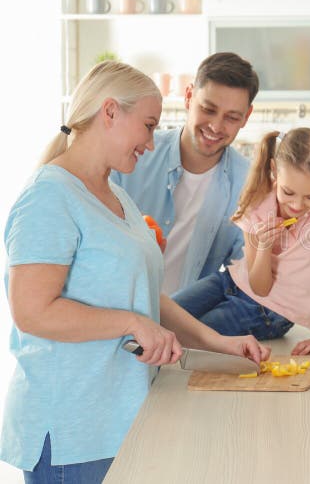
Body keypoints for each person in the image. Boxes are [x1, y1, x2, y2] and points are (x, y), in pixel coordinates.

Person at [0, 61, 268, 484]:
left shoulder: (115, 196)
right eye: (147, 125)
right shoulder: (49, 196)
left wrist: (218, 343)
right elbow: (33, 312)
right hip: (73, 429)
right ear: (109, 112)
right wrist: (132, 323)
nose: (150, 142)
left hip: (118, 419)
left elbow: (143, 296)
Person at [173, 128, 310, 355]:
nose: (297, 205)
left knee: (186, 337)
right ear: (274, 170)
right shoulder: (257, 199)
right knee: (161, 315)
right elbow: (257, 284)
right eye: (288, 192)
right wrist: (263, 247)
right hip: (229, 282)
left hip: (268, 311)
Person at [111, 52, 259, 295]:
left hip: (186, 316)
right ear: (189, 96)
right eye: (208, 109)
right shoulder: (135, 154)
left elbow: (245, 277)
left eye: (232, 117)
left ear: (246, 117)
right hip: (115, 307)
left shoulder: (250, 185)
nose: (216, 126)